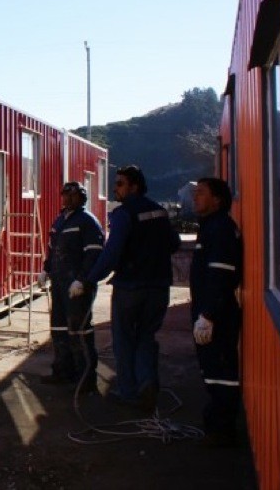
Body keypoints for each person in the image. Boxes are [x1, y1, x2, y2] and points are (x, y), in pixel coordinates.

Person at [70, 165, 181, 413]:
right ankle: (148, 384)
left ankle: (130, 393)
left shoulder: (124, 214)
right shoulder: (160, 212)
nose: (115, 188)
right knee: (146, 338)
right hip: (159, 287)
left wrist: (88, 280)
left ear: (134, 186)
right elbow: (173, 244)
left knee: (124, 340)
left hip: (131, 287)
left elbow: (111, 253)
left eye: (120, 183)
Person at [38, 182, 105, 394]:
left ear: (81, 198)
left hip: (77, 286)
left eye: (72, 195)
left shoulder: (87, 221)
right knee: (58, 327)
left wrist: (83, 280)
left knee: (79, 329)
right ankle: (62, 371)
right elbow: (52, 249)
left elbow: (94, 253)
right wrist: (46, 270)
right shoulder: (60, 220)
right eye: (65, 194)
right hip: (58, 284)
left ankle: (86, 378)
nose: (67, 199)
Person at [190, 177, 242, 446]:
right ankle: (216, 425)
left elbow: (221, 276)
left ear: (217, 200)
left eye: (201, 193)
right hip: (210, 312)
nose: (194, 197)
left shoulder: (220, 229)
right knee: (212, 371)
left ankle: (223, 430)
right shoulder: (211, 226)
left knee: (220, 372)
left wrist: (208, 315)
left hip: (217, 316)